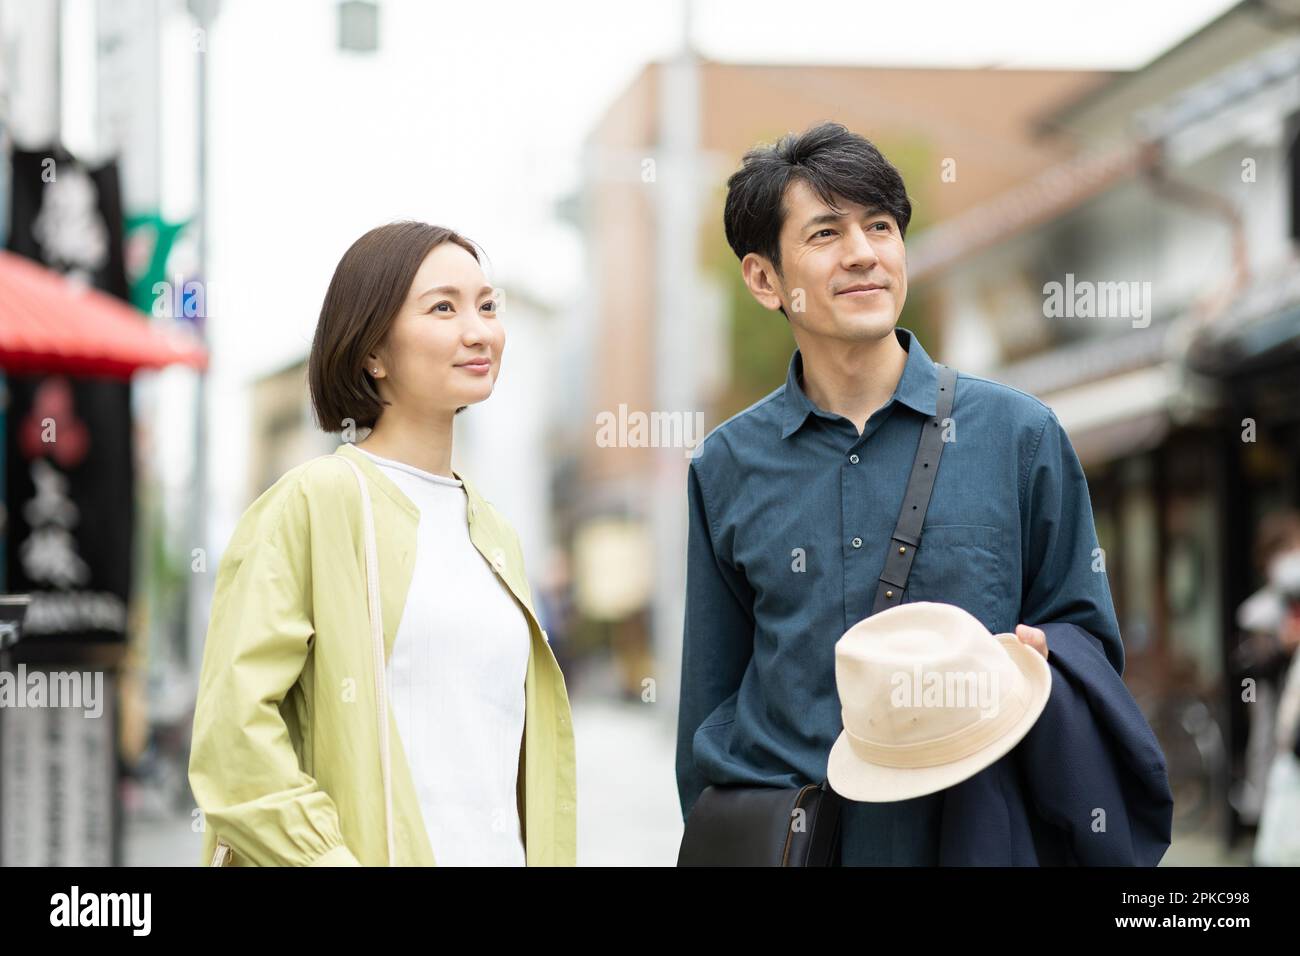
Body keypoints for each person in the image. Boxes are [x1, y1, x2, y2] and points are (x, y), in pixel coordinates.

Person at [675, 122, 1123, 865]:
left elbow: (1090, 640)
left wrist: (1046, 656)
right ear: (764, 280)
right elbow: (708, 710)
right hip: (802, 843)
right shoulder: (726, 466)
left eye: (879, 227)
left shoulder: (1019, 435)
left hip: (976, 837)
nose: (863, 253)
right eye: (825, 233)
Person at [188, 221, 576, 866]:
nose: (478, 330)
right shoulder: (317, 502)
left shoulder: (494, 532)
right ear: (373, 352)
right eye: (443, 307)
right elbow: (235, 737)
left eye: (487, 305)